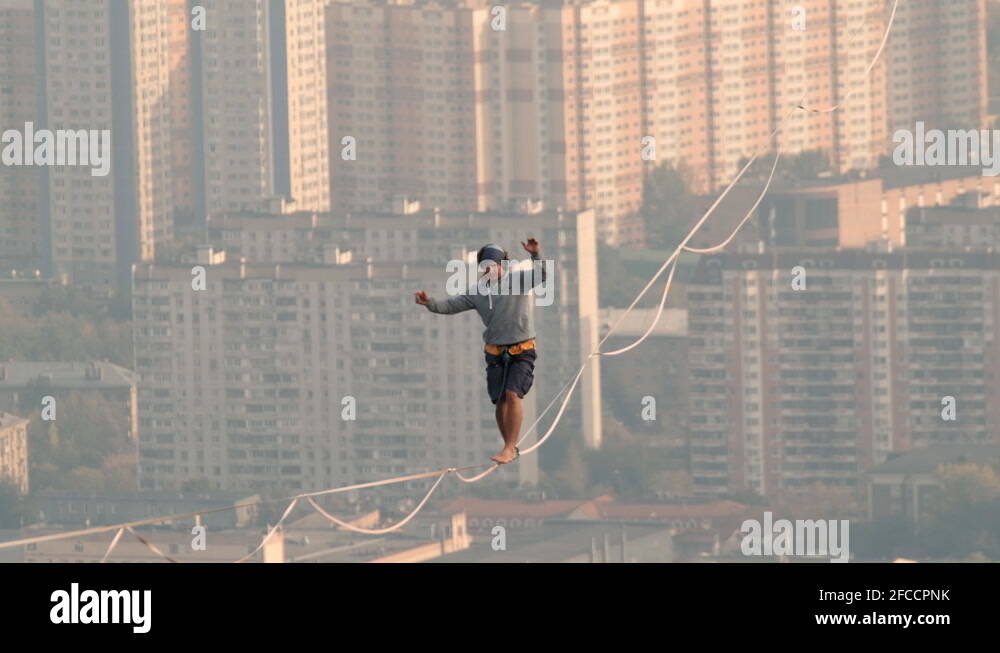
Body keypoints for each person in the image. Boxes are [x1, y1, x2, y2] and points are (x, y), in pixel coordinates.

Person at [415, 239, 546, 464]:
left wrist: (535, 254)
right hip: (495, 351)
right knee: (500, 400)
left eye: (492, 266)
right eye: (484, 267)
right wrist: (430, 303)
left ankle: (509, 447)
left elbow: (542, 275)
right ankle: (508, 446)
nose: (487, 270)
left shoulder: (518, 281)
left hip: (522, 348)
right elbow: (451, 306)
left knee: (513, 394)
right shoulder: (477, 292)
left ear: (501, 266)